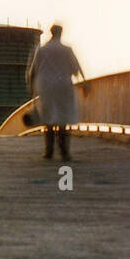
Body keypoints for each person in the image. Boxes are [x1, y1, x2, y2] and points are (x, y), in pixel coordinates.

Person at [26, 24, 84, 160]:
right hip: (63, 85)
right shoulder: (67, 50)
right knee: (62, 117)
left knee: (48, 117)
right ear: (61, 33)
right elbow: (76, 69)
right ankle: (64, 152)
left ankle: (49, 151)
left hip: (45, 86)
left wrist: (31, 88)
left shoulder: (41, 50)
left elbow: (33, 71)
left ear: (51, 33)